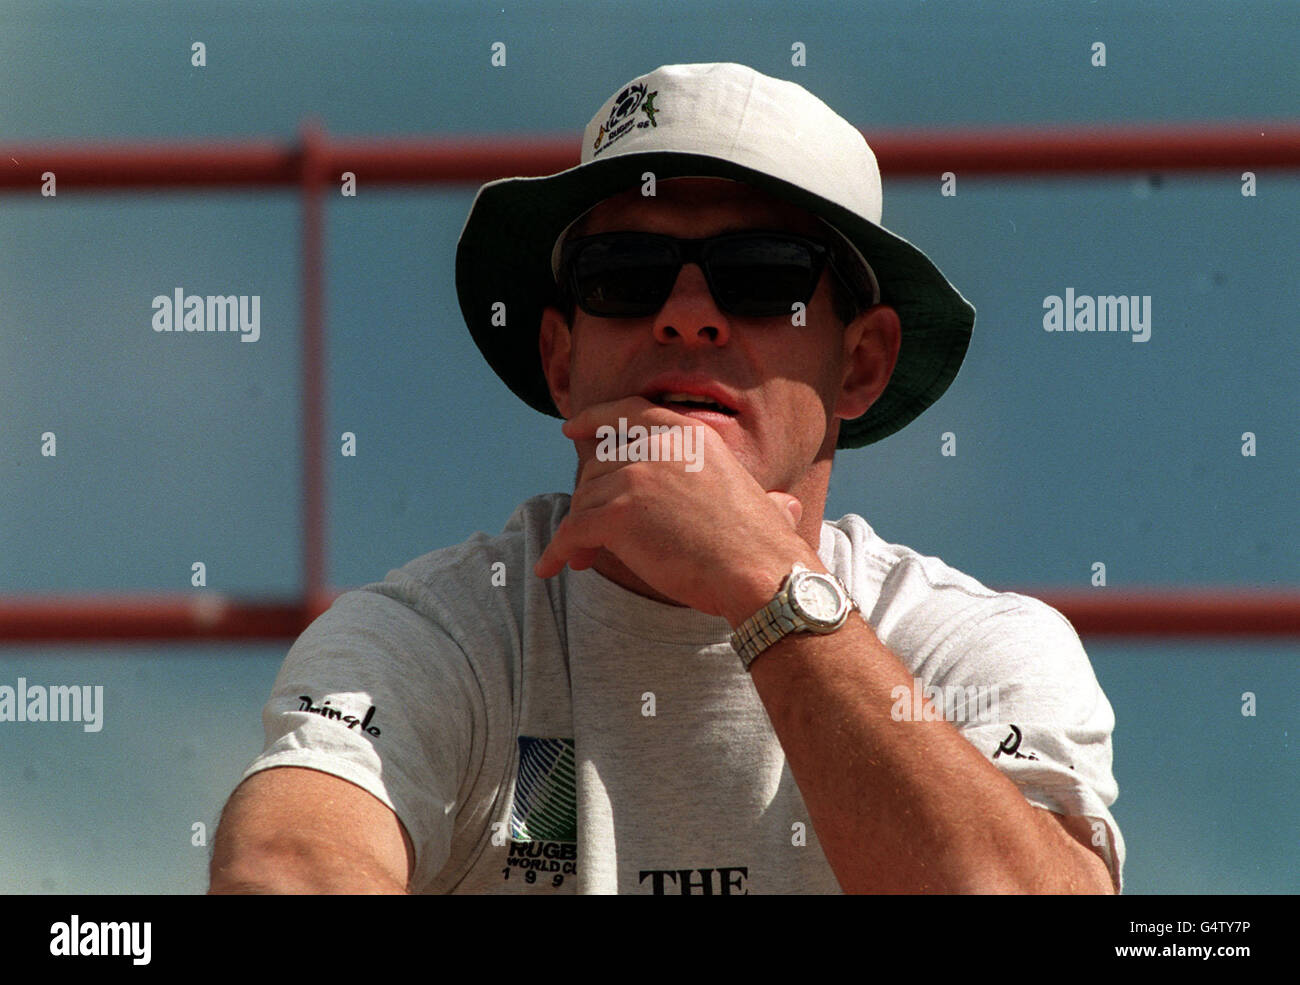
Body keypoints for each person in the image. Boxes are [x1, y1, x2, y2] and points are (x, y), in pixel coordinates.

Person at [209, 62, 1124, 894]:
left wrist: (765, 585)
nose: (688, 317)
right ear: (561, 360)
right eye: (626, 273)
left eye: (763, 276)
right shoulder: (434, 636)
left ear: (863, 363)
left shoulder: (970, 647)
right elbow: (285, 873)